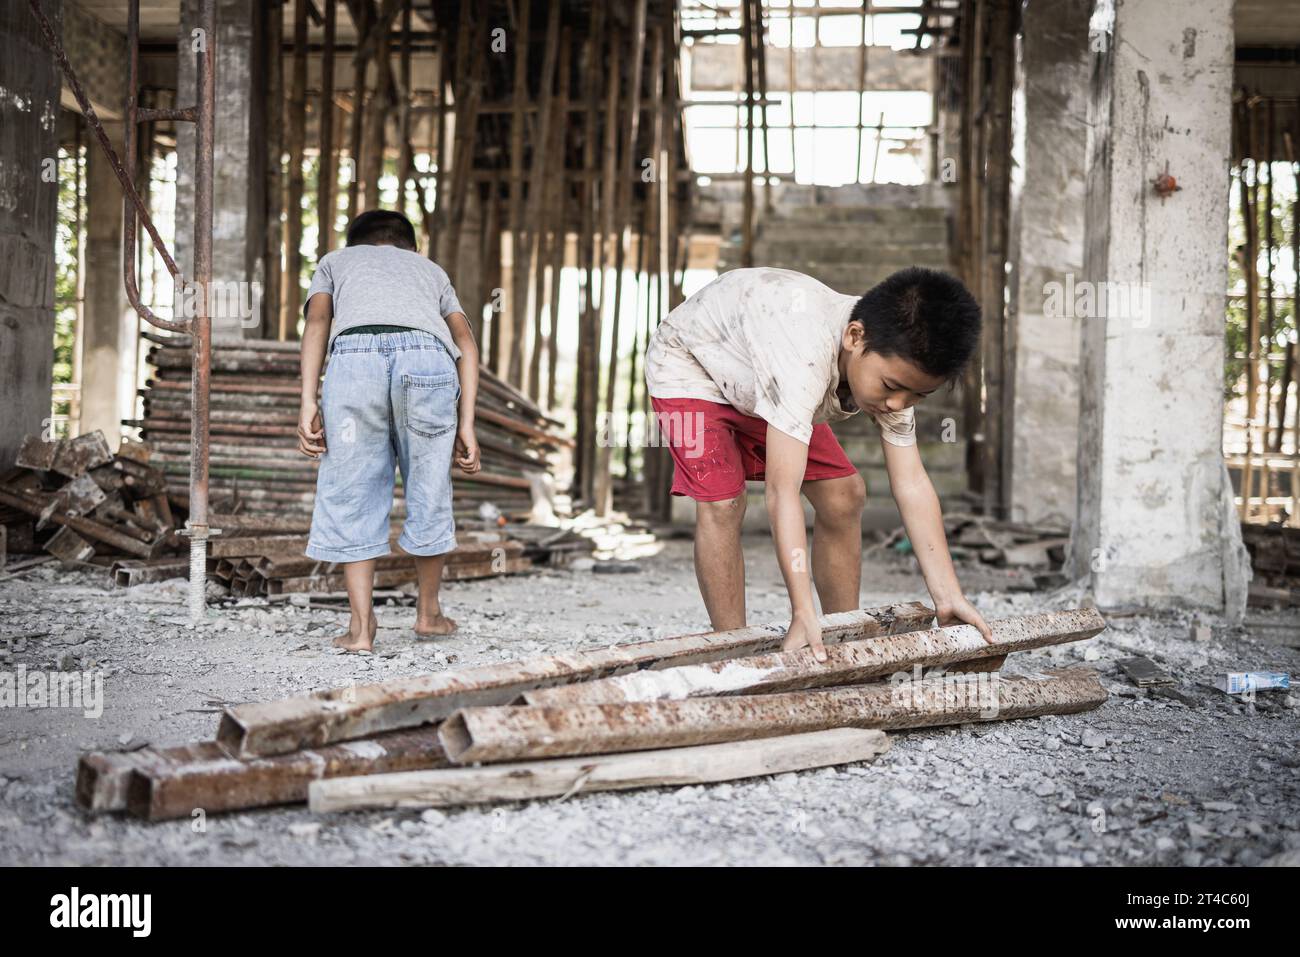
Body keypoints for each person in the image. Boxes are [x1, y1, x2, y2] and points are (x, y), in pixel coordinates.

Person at [645, 265, 993, 660]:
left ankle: (842, 637)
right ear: (854, 337)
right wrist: (800, 609)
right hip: (693, 363)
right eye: (891, 387)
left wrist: (948, 594)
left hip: (762, 375)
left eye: (917, 396)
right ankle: (735, 653)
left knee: (844, 494)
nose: (898, 404)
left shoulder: (896, 376)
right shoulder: (803, 357)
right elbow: (782, 492)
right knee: (723, 502)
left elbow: (912, 483)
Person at [297, 210, 480, 652]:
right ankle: (428, 614)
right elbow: (466, 344)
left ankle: (361, 630)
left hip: (353, 359)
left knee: (352, 489)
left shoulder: (335, 261)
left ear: (355, 242)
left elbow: (317, 322)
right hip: (428, 360)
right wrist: (467, 423)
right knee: (430, 485)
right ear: (409, 247)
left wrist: (307, 399)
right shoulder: (431, 271)